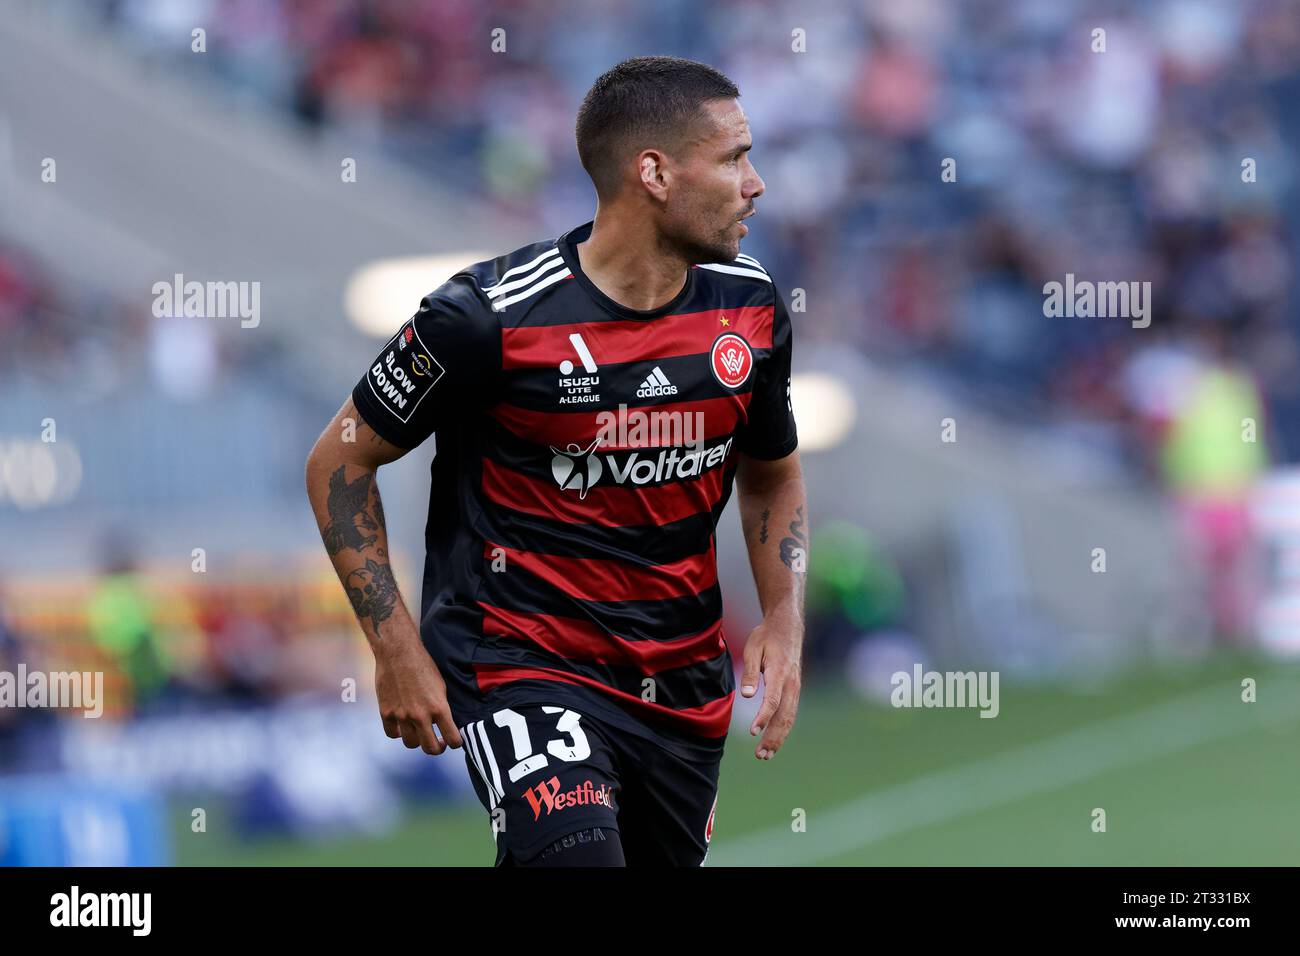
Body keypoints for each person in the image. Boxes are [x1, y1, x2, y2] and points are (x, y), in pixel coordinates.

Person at [306, 55, 807, 867]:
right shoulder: (485, 319)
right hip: (520, 658)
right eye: (734, 158)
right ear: (653, 172)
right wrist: (394, 645)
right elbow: (339, 464)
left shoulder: (748, 309)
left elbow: (773, 469)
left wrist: (783, 616)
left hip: (680, 680)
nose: (755, 184)